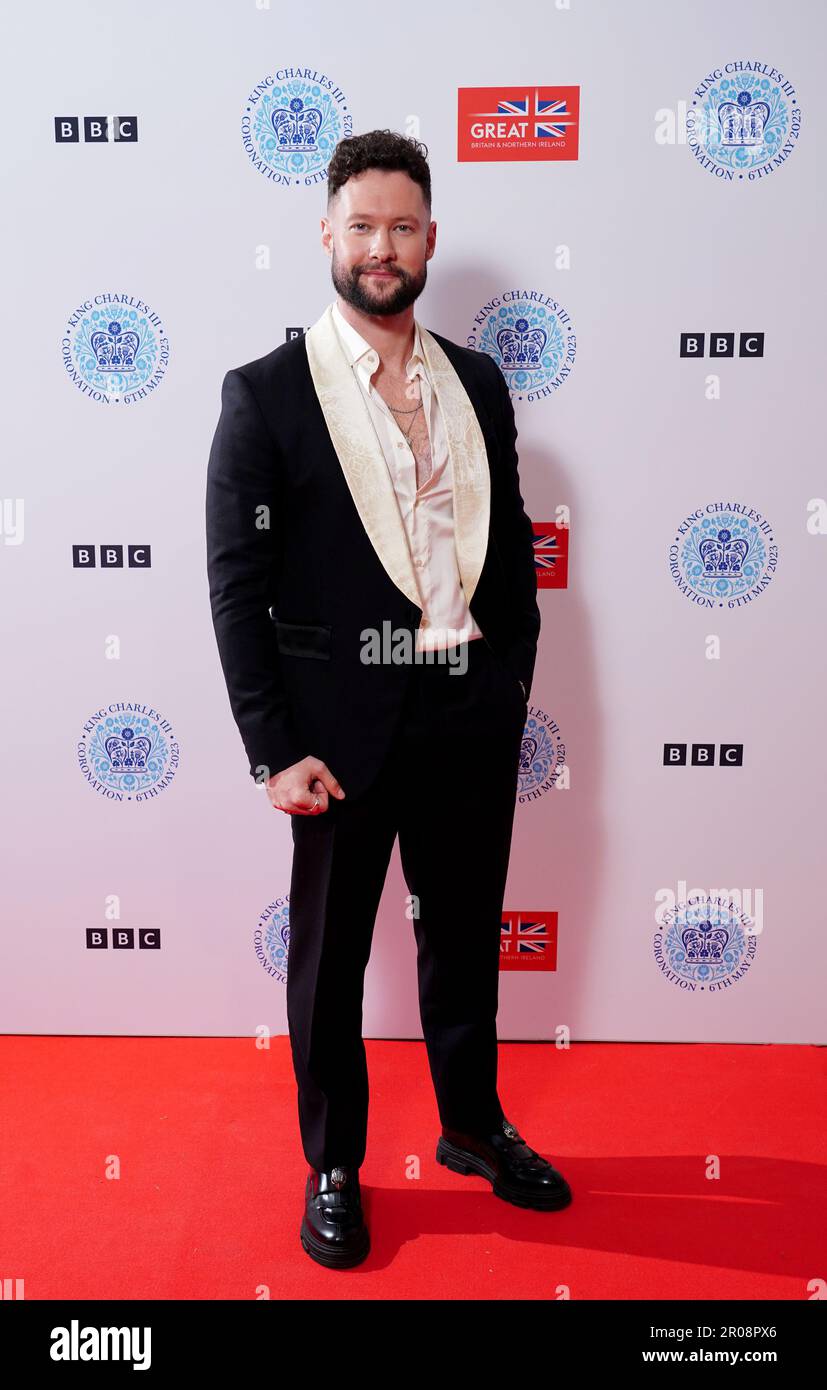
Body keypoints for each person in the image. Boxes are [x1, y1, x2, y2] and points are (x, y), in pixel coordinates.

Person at [206, 129, 572, 1269]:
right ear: (326, 233)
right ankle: (334, 1163)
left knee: (461, 941)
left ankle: (471, 1125)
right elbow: (237, 585)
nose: (381, 247)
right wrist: (272, 747)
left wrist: (509, 673)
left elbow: (506, 545)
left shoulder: (476, 380)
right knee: (330, 961)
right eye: (360, 225)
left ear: (429, 238)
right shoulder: (265, 395)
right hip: (338, 737)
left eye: (402, 226)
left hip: (467, 715)